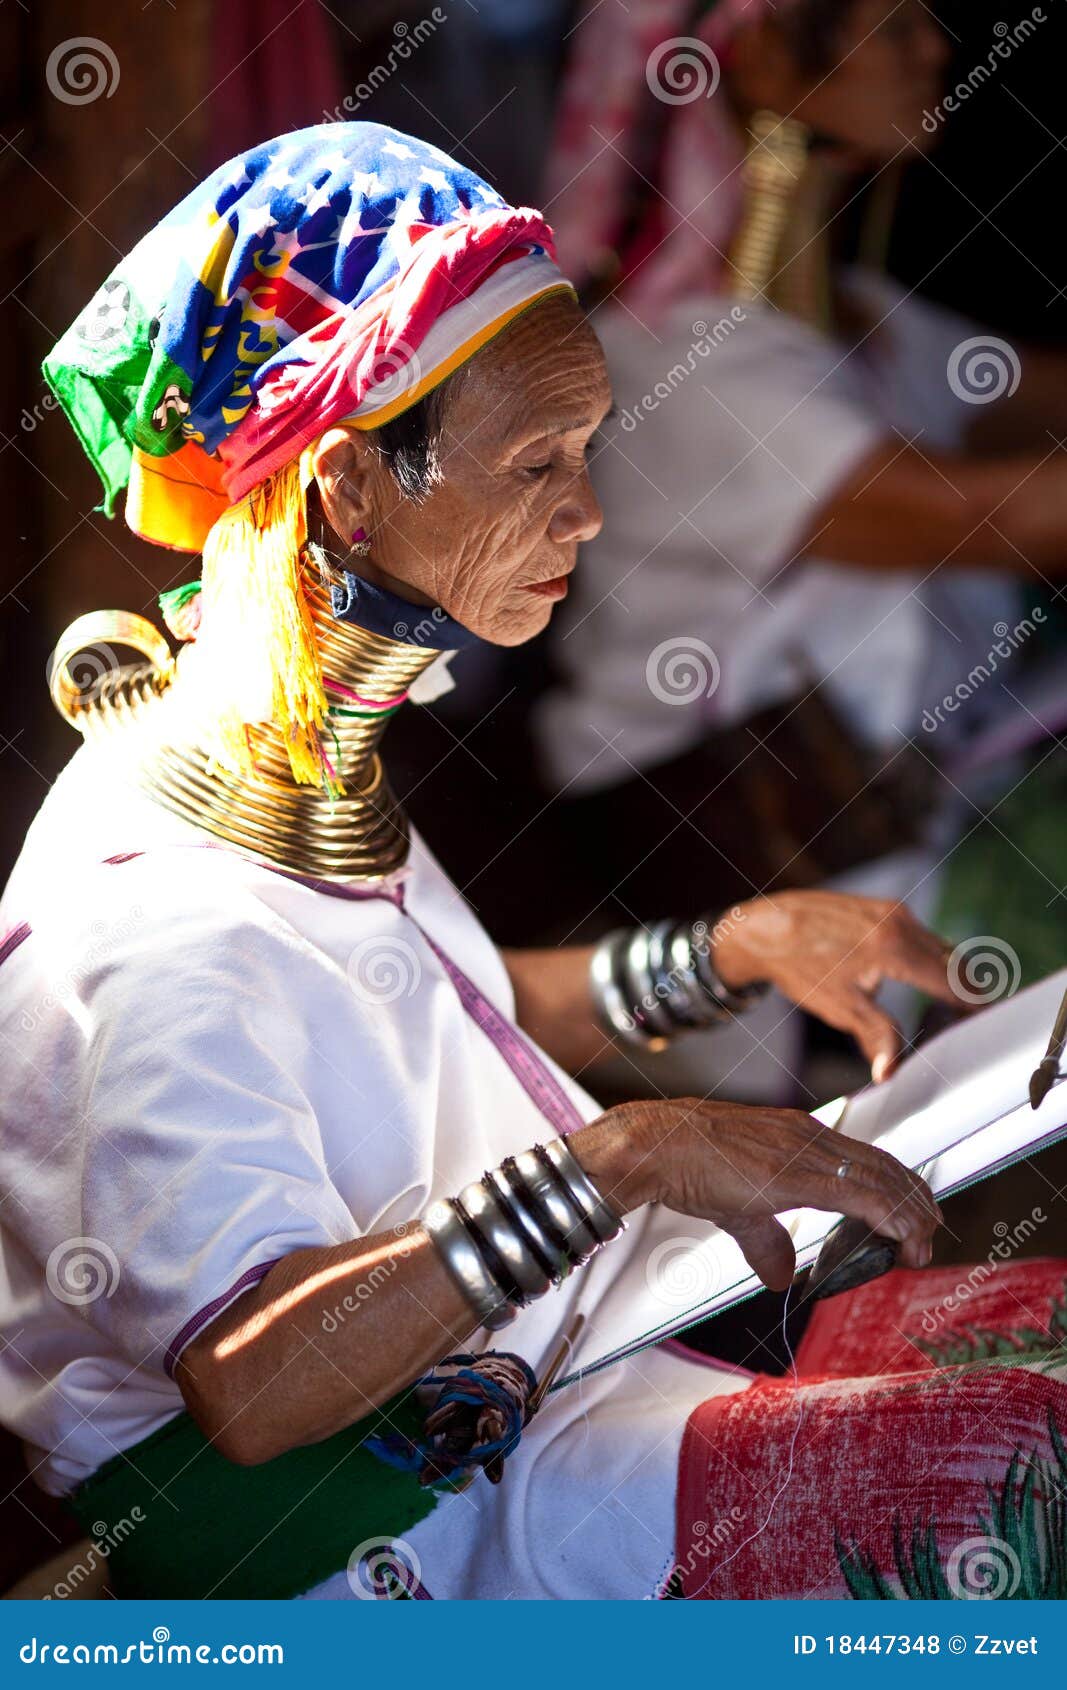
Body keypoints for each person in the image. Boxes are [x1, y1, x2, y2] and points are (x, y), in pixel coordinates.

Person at [1, 123, 1064, 1602]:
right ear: (343, 494)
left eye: (583, 448)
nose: (587, 509)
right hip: (392, 1536)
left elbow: (444, 1011)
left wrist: (727, 950)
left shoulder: (294, 758)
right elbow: (252, 1384)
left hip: (551, 1386)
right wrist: (619, 1157)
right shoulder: (157, 924)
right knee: (1023, 1483)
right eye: (534, 462)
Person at [534, 0, 1067, 928]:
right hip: (793, 909)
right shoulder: (673, 361)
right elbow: (992, 520)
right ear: (767, 60)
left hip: (927, 831)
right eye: (895, 26)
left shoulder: (856, 318)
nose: (939, 47)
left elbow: (1035, 397)